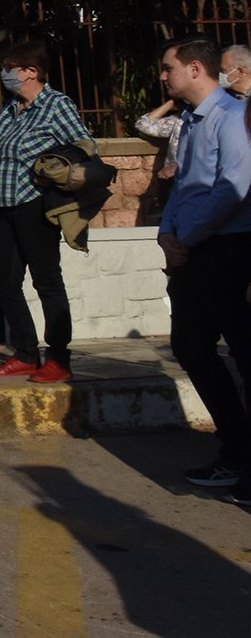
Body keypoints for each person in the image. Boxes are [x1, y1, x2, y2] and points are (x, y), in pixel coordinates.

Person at [153, 37, 251, 497]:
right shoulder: (190, 122)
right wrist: (167, 234)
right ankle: (235, 449)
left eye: (168, 68)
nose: (163, 76)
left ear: (195, 69)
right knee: (191, 346)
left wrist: (187, 239)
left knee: (244, 353)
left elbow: (232, 189)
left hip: (227, 249)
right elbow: (185, 186)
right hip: (191, 252)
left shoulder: (231, 118)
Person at [0, 39, 91, 384]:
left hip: (34, 205)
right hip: (0, 207)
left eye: (10, 68)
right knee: (3, 279)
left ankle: (58, 357)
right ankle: (26, 352)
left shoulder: (56, 105)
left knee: (46, 281)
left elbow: (85, 146)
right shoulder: (12, 108)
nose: (5, 74)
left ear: (31, 72)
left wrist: (54, 171)